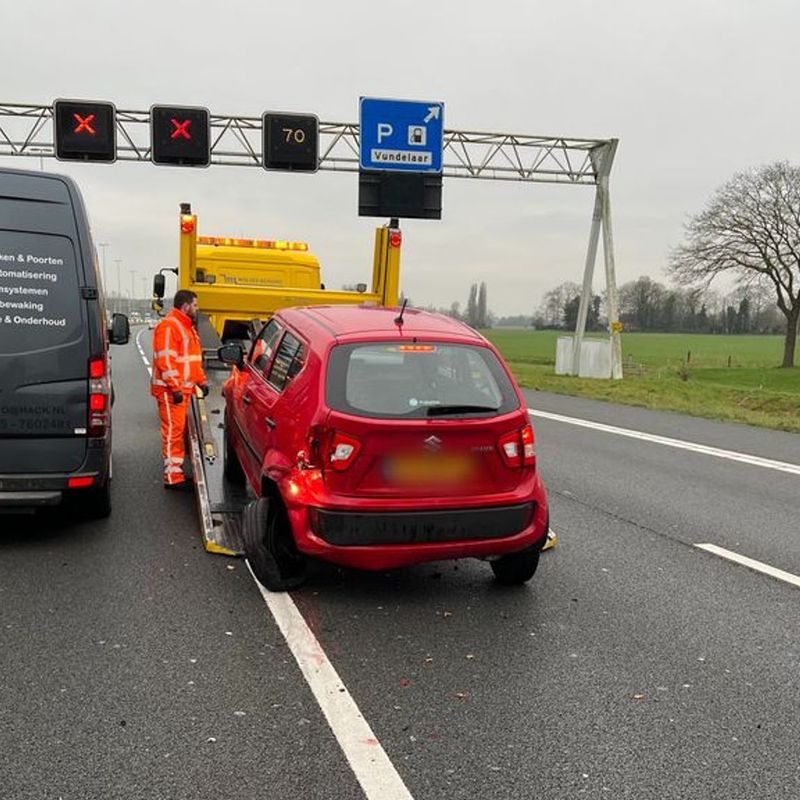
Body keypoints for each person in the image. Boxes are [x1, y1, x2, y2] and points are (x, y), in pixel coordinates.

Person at [151, 290, 208, 489]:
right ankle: (172, 477)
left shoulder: (186, 327)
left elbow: (193, 360)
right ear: (185, 306)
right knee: (173, 432)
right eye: (195, 305)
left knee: (177, 430)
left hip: (181, 390)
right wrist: (175, 388)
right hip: (170, 391)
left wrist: (201, 381)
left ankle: (176, 472)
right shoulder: (170, 326)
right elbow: (166, 360)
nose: (197, 309)